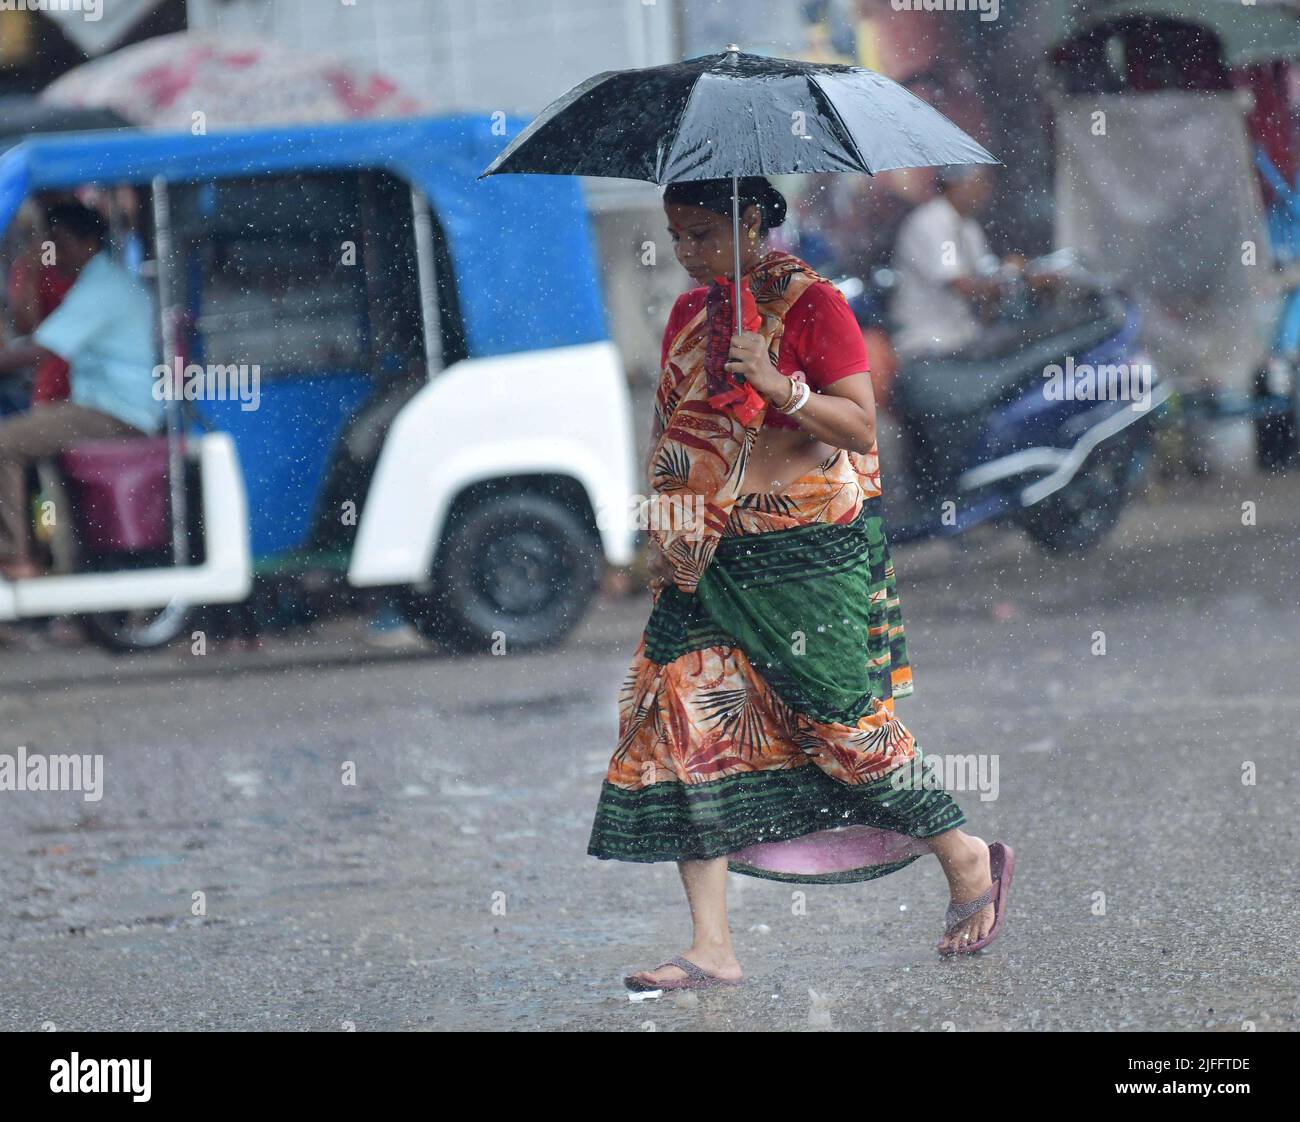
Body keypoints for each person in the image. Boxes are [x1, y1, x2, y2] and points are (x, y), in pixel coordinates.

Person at [586, 176, 1015, 991]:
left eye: (704, 234)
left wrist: (781, 385)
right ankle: (712, 946)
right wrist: (664, 530)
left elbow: (856, 423)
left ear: (755, 222)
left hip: (806, 557)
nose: (687, 252)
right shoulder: (690, 313)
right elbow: (676, 430)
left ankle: (965, 858)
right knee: (687, 728)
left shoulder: (813, 307)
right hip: (706, 557)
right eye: (678, 236)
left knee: (840, 724)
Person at [0, 202, 161, 581]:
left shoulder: (103, 289)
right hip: (101, 407)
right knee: (26, 435)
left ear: (88, 242)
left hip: (116, 413)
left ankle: (14, 557)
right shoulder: (98, 282)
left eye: (60, 242)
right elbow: (34, 334)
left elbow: (41, 350)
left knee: (4, 444)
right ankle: (44, 554)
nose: (54, 253)